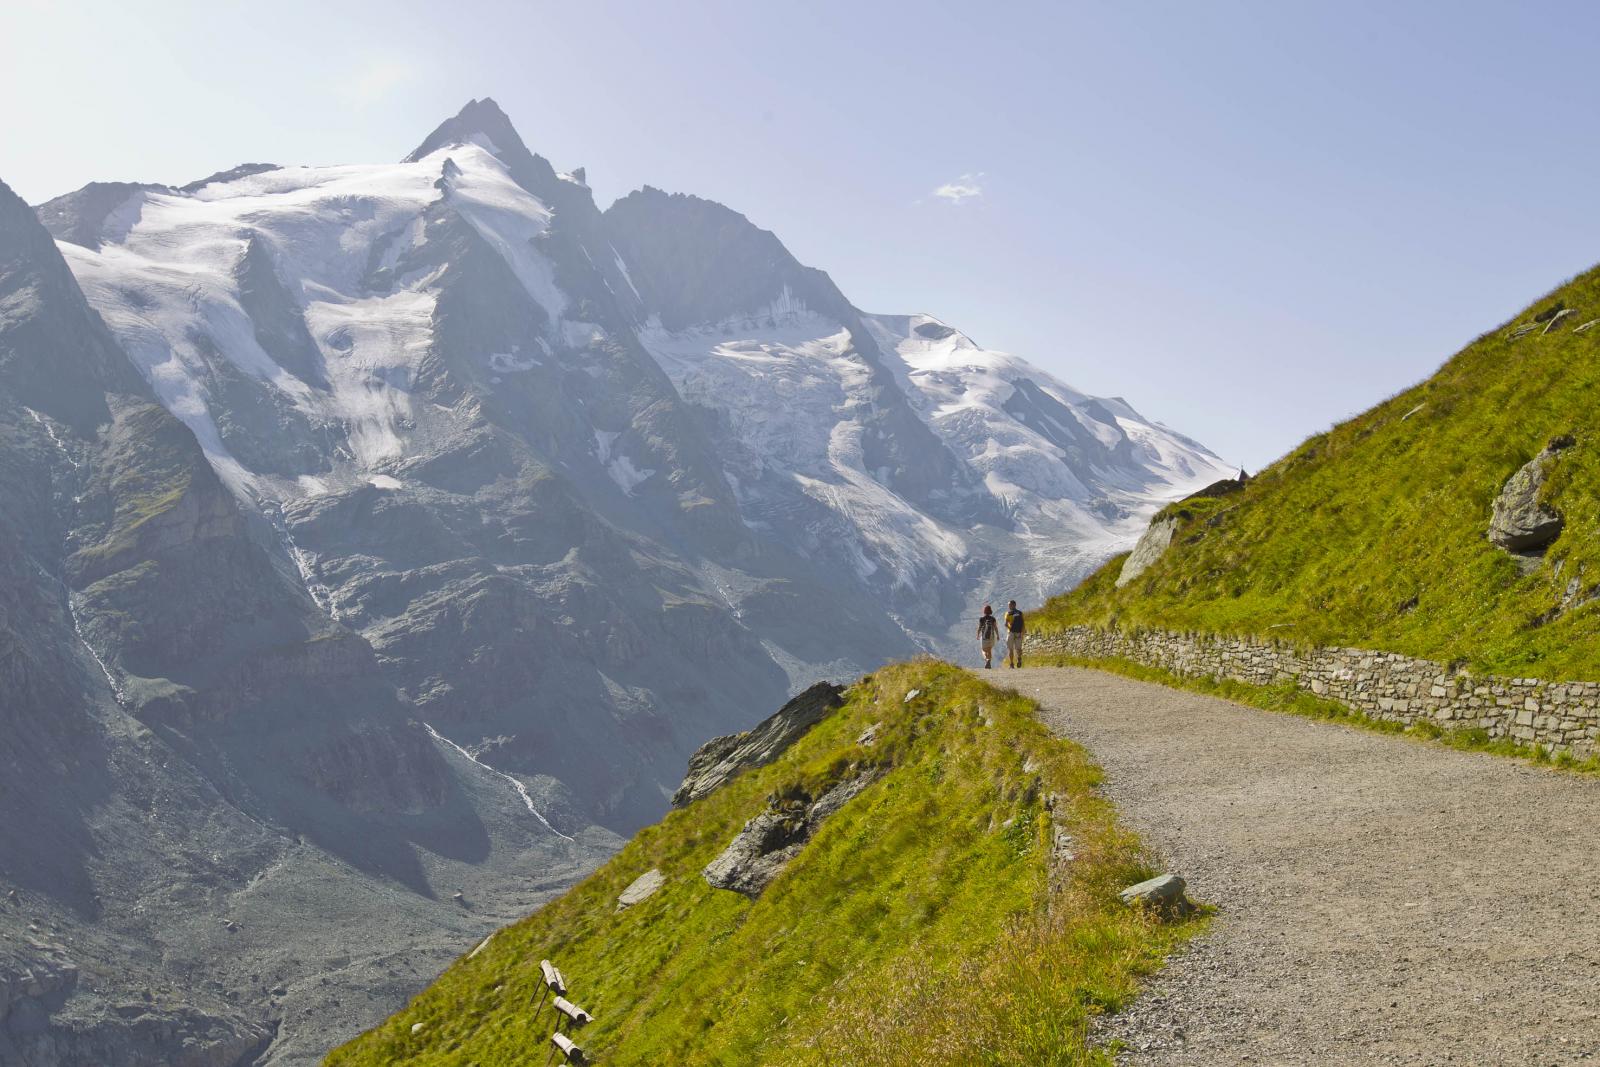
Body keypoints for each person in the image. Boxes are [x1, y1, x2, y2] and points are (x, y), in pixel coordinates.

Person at [1003, 599, 1026, 668]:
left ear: (1012, 605)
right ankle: (1019, 658)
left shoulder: (1008, 613)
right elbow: (1023, 624)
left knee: (1010, 649)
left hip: (1011, 632)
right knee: (1018, 648)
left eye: (1009, 605)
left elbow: (1006, 624)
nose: (1009, 606)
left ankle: (1012, 664)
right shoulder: (1020, 613)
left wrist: (1010, 628)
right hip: (1018, 632)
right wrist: (1022, 632)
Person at [976, 604, 999, 669]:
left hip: (984, 637)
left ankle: (986, 659)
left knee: (983, 650)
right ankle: (989, 663)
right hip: (992, 637)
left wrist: (977, 635)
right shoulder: (993, 618)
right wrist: (997, 635)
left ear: (984, 611)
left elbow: (979, 628)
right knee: (989, 650)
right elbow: (995, 627)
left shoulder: (982, 619)